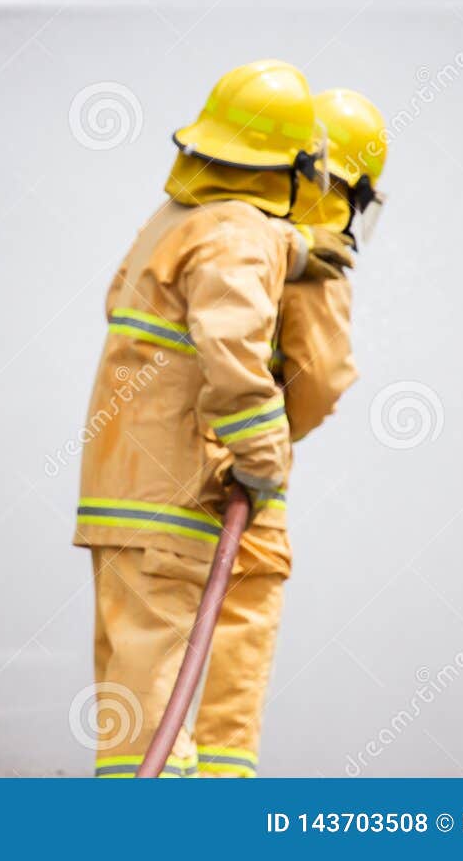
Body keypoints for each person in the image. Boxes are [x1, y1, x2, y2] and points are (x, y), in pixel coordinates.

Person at [74, 59, 337, 777]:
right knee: (156, 697)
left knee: (134, 689)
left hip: (126, 492)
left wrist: (298, 249)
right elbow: (232, 341)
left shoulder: (179, 220)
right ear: (288, 166)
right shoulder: (237, 234)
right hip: (177, 492)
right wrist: (259, 447)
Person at [190, 86, 387, 778]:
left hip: (159, 471)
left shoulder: (226, 223)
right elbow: (323, 378)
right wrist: (269, 446)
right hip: (242, 483)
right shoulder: (315, 257)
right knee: (234, 641)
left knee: (157, 649)